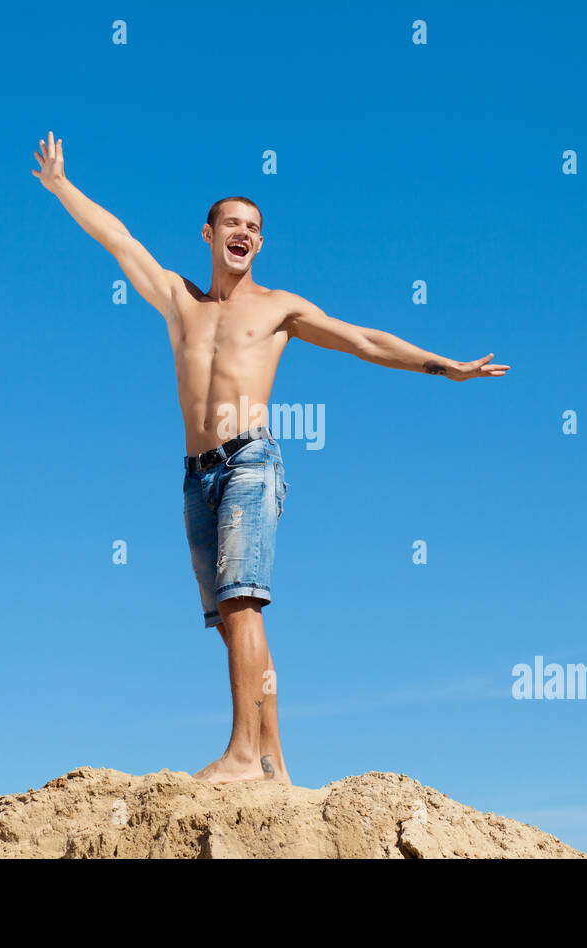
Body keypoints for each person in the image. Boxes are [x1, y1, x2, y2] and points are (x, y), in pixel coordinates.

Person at [32, 131, 509, 785]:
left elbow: (362, 339)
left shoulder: (279, 308)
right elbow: (118, 240)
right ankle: (273, 764)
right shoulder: (180, 301)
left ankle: (240, 754)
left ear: (260, 243)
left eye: (254, 227)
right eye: (232, 223)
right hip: (195, 476)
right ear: (208, 234)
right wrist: (61, 185)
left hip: (249, 462)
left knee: (241, 606)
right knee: (232, 625)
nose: (244, 233)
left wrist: (442, 367)